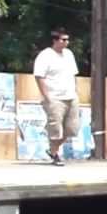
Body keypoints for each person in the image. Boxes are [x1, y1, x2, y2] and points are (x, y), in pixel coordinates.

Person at [33, 27, 80, 166]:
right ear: (55, 40)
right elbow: (39, 76)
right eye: (63, 39)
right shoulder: (45, 55)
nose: (67, 42)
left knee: (72, 129)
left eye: (68, 39)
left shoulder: (69, 54)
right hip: (54, 97)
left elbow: (73, 74)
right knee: (56, 130)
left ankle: (52, 150)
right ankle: (54, 154)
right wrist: (47, 96)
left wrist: (76, 91)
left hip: (71, 96)